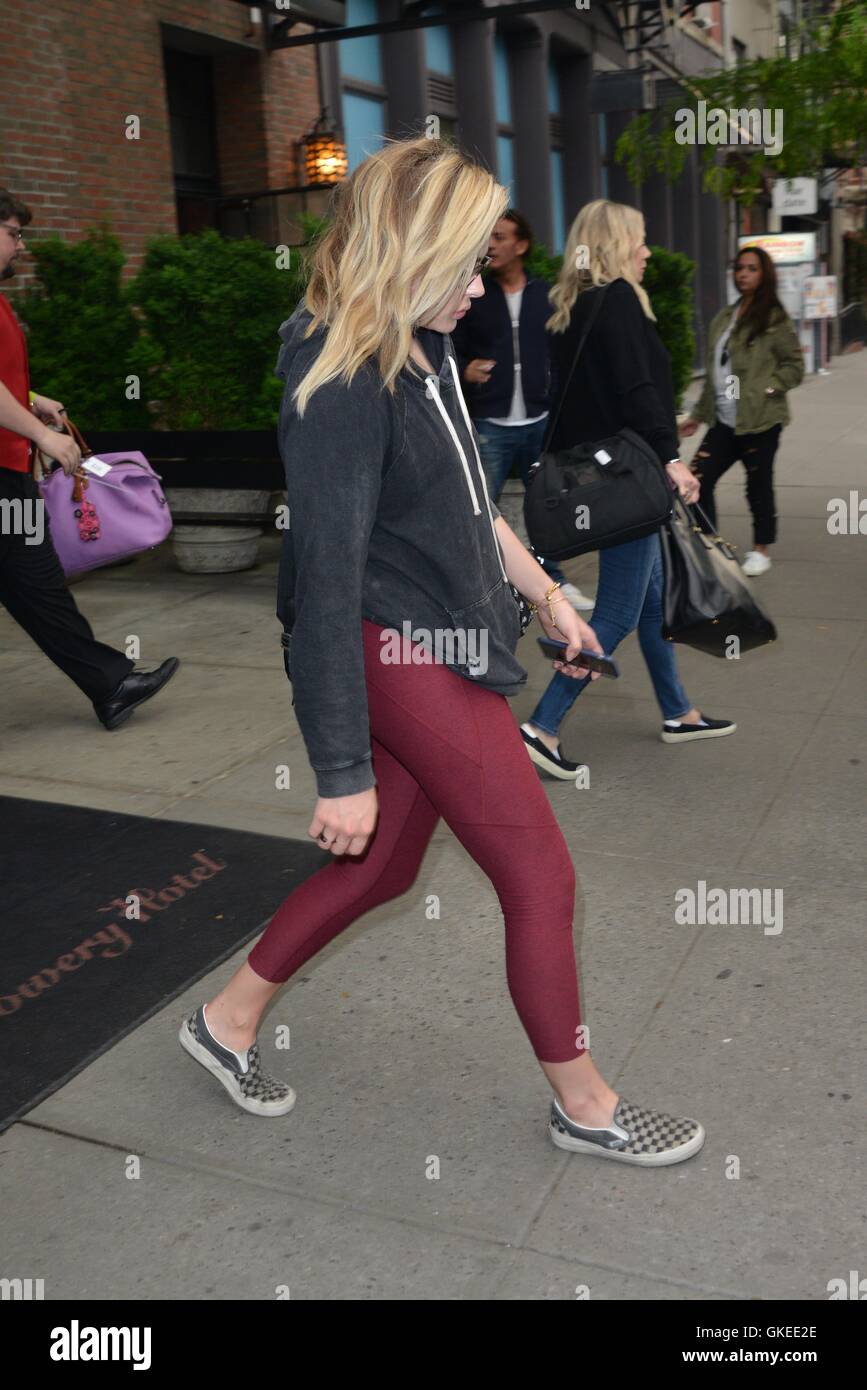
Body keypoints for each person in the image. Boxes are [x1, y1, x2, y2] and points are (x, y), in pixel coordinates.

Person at [178, 138, 705, 1168]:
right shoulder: (338, 374)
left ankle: (225, 1022)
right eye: (464, 261)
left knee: (381, 869)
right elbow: (324, 582)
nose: (480, 282)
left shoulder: (416, 344)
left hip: (446, 638)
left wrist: (547, 591)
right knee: (541, 878)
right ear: (408, 249)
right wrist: (337, 767)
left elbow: (469, 503)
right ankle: (585, 1105)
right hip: (395, 649)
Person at [519, 200, 736, 781]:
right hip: (629, 482)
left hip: (602, 479)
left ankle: (678, 712)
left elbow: (566, 404)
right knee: (615, 612)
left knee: (649, 600)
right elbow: (640, 390)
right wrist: (671, 458)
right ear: (615, 244)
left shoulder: (569, 308)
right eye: (638, 241)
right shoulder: (616, 301)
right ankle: (542, 727)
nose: (646, 251)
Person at [0, 189, 179, 728]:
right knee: (34, 579)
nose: (20, 246)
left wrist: (33, 401)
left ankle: (111, 684)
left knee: (34, 582)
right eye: (12, 233)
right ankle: (111, 683)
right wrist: (44, 437)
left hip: (7, 470)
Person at [451, 209, 594, 612]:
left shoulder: (546, 295)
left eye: (500, 237)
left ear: (522, 245)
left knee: (548, 506)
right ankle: (478, 589)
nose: (492, 245)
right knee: (480, 507)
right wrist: (465, 369)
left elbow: (566, 356)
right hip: (490, 423)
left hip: (539, 421)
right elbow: (450, 346)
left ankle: (555, 581)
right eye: (489, 238)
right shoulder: (475, 294)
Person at [680, 244, 804, 576]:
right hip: (724, 420)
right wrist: (697, 417)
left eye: (751, 268)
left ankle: (761, 549)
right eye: (739, 268)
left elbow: (795, 365)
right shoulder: (725, 316)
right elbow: (715, 373)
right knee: (696, 482)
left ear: (764, 275)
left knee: (758, 484)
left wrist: (768, 388)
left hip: (760, 419)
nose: (743, 274)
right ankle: (710, 546)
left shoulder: (774, 319)